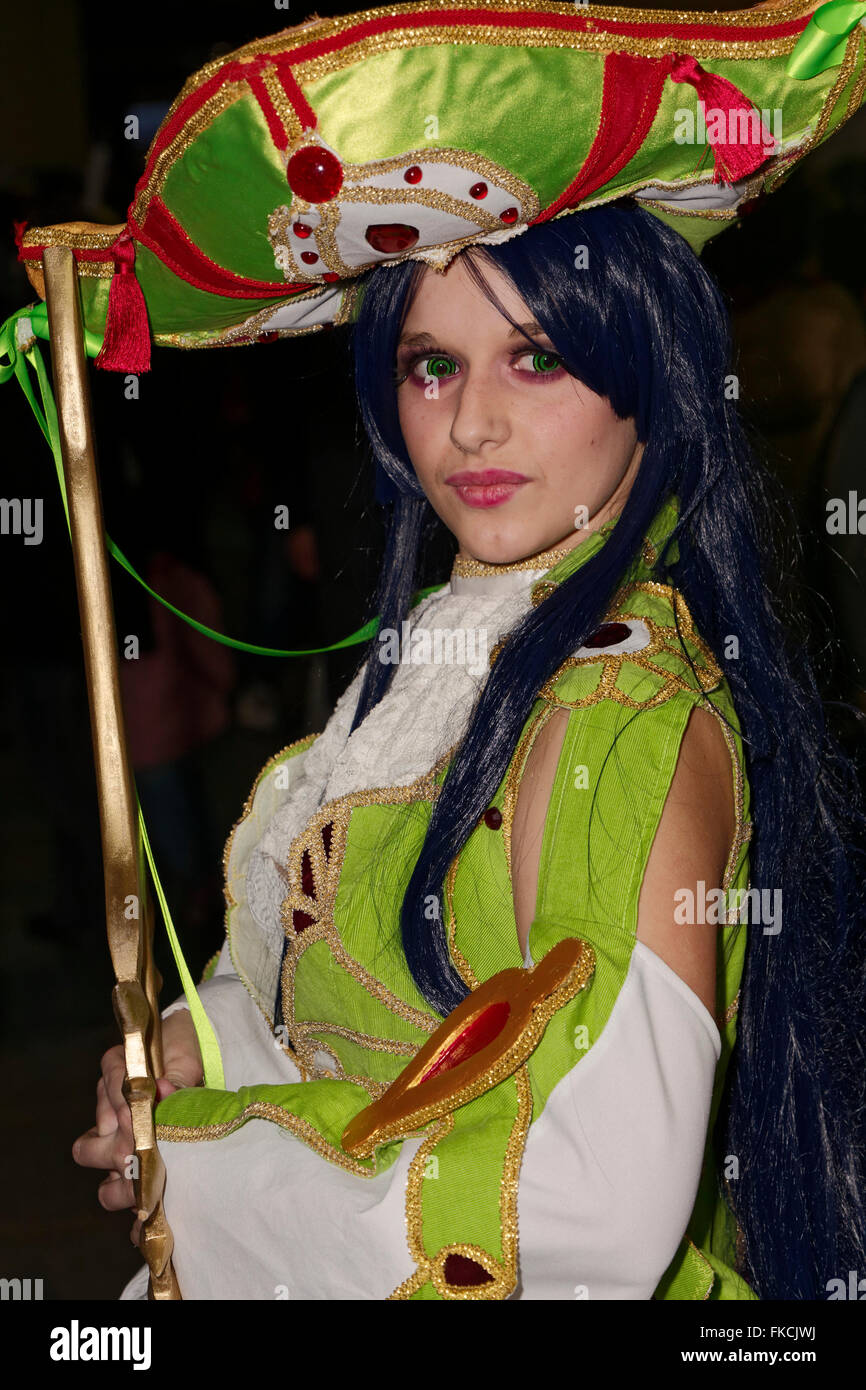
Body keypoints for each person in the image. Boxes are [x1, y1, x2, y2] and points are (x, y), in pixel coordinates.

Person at [72, 204, 866, 1300]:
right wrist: (189, 1049)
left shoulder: (622, 714)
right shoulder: (453, 643)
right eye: (433, 365)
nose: (472, 425)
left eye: (536, 359)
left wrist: (205, 1167)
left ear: (650, 369)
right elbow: (352, 990)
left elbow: (592, 1200)